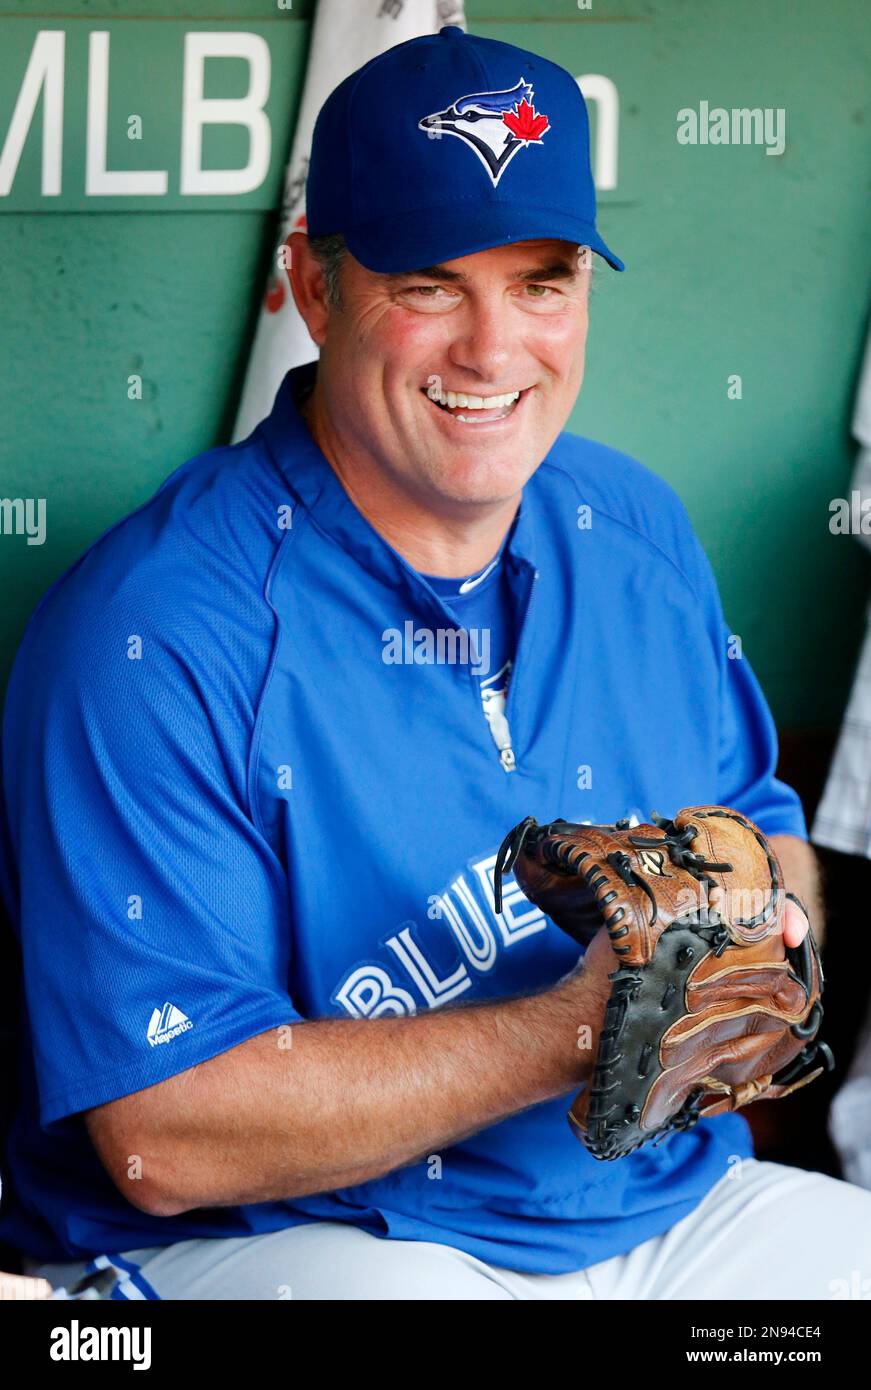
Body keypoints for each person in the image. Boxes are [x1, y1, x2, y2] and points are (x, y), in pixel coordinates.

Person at [1, 25, 869, 1302]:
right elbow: (164, 1137)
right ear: (316, 288)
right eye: (428, 283)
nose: (492, 348)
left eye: (541, 280)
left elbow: (761, 831)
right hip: (286, 1243)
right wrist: (582, 1027)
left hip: (637, 1208)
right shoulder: (152, 634)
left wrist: (762, 943)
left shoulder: (632, 534)